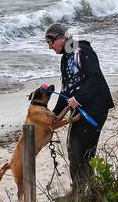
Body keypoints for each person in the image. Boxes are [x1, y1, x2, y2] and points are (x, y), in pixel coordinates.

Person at [44, 22, 114, 193]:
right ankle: (84, 190)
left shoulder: (81, 50)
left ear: (61, 38)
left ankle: (81, 193)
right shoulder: (66, 57)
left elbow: (95, 77)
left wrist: (79, 98)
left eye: (51, 42)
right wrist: (52, 116)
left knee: (80, 151)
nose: (50, 47)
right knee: (75, 150)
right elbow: (66, 91)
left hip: (94, 108)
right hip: (82, 108)